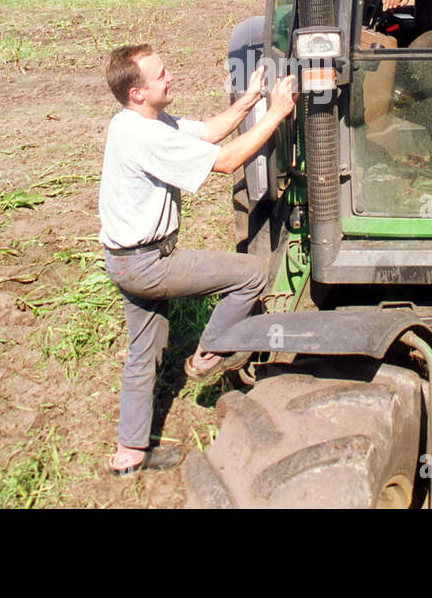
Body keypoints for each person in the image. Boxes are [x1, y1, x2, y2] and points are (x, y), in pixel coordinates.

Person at [98, 44, 297, 475]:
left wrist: (249, 100)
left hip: (123, 260)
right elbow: (225, 161)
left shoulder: (137, 121)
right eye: (161, 75)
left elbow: (207, 134)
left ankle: (128, 454)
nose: (171, 77)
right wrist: (276, 112)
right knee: (251, 273)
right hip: (147, 263)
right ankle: (208, 355)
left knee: (143, 352)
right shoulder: (146, 137)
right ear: (137, 92)